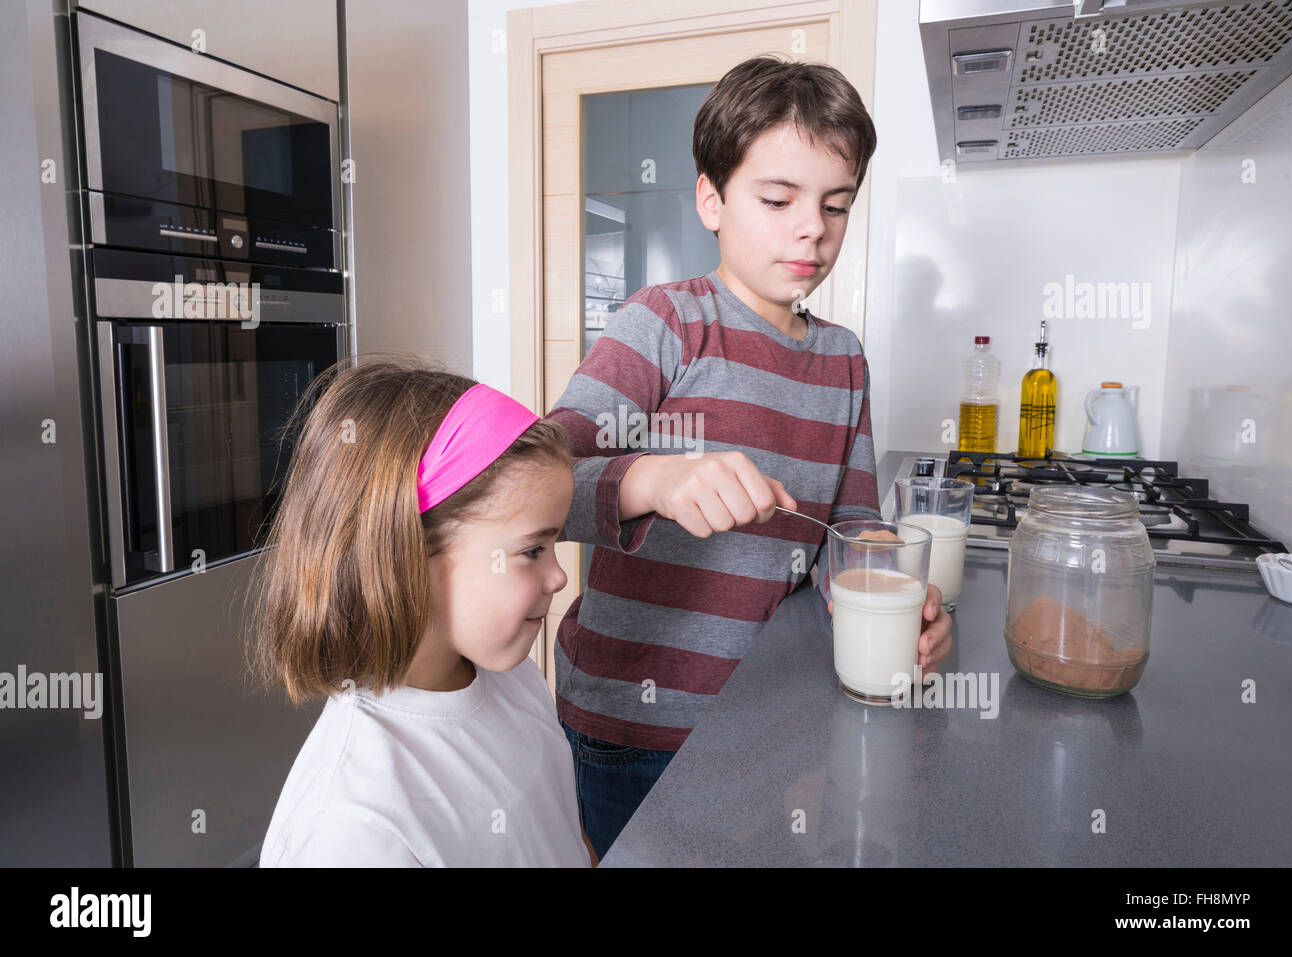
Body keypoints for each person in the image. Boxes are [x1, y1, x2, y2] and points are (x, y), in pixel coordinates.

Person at [546, 55, 953, 858]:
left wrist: (891, 597)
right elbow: (536, 485)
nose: (813, 227)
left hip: (768, 711)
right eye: (778, 199)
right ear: (711, 198)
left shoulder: (843, 359)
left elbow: (855, 520)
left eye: (836, 206)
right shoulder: (665, 322)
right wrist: (652, 477)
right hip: (635, 719)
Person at [252, 357, 595, 866]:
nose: (559, 577)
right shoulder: (353, 829)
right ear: (408, 553)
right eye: (532, 551)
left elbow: (563, 836)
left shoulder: (513, 678)